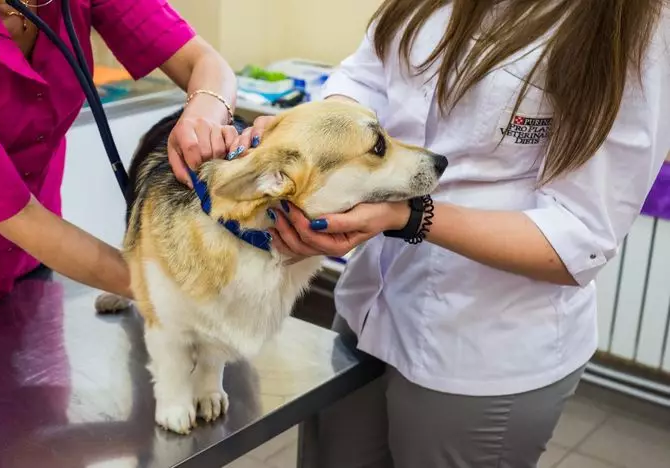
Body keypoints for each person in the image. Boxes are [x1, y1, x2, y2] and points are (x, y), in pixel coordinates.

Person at [229, 1, 670, 466]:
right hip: (368, 308)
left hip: (480, 346)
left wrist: (412, 217)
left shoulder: (636, 22)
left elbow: (579, 237)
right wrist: (310, 139)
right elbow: (369, 74)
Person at [0, 0, 239, 308]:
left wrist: (205, 116)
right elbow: (19, 216)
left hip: (36, 265)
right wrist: (168, 289)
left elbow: (205, 63)